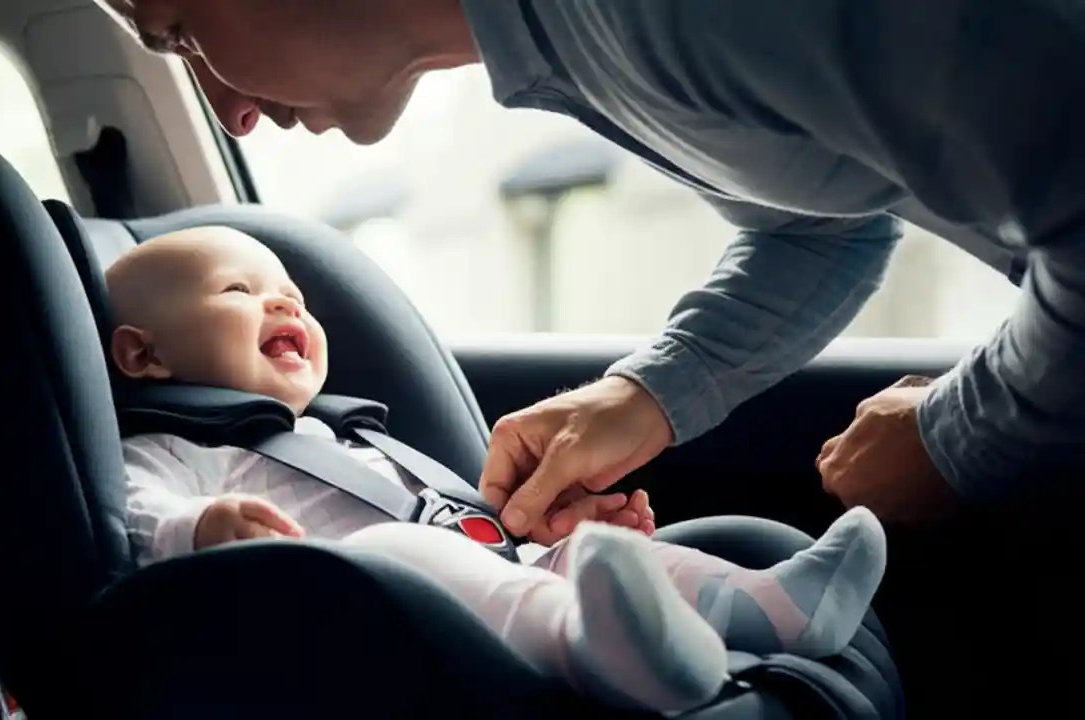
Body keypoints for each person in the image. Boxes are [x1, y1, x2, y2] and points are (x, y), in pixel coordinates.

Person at [104, 225, 889, 714]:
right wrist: (200, 527)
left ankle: (771, 608)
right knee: (401, 550)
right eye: (240, 292)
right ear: (146, 353)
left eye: (293, 296)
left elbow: (459, 523)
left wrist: (532, 530)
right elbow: (131, 513)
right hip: (366, 619)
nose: (285, 309)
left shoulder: (344, 433)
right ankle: (610, 655)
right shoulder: (173, 449)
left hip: (478, 570)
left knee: (591, 555)